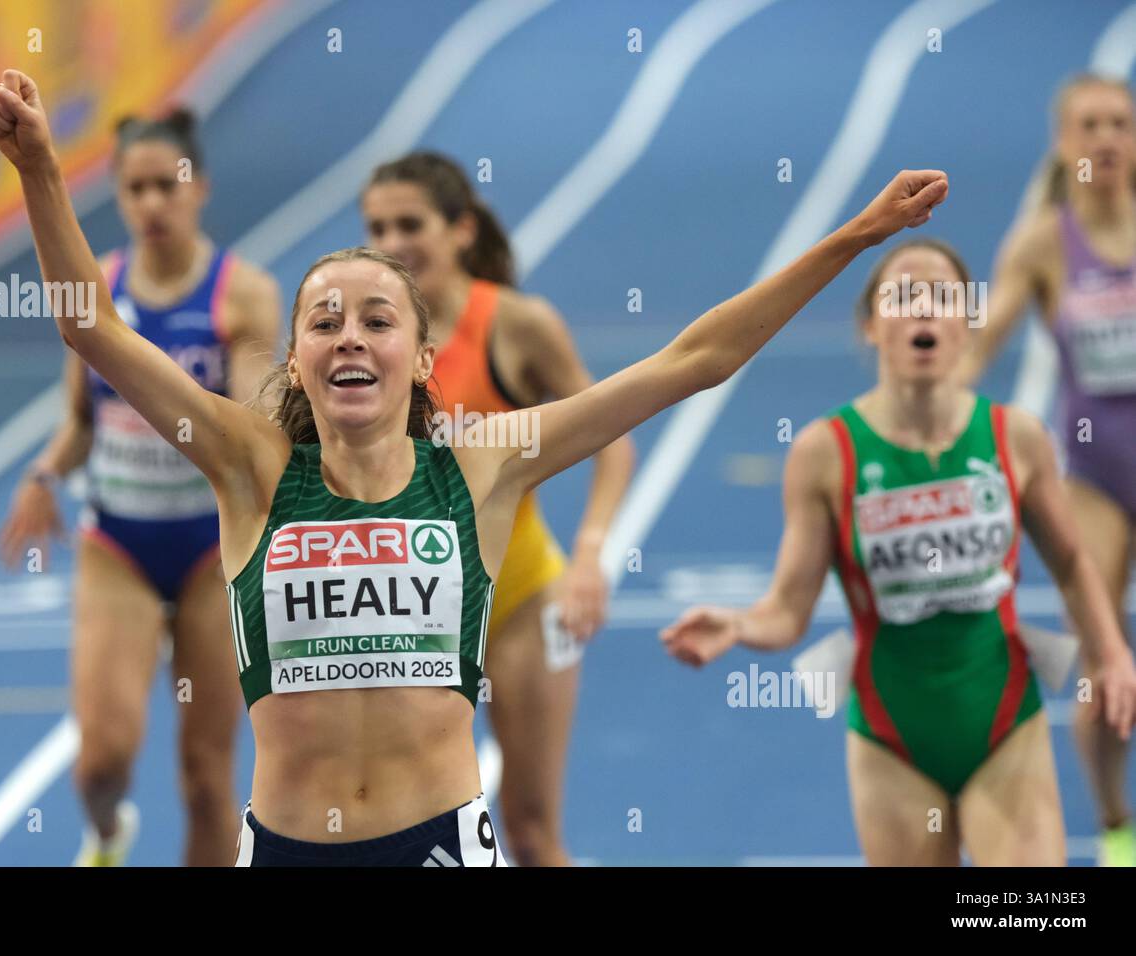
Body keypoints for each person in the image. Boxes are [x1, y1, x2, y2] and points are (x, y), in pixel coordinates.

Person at [0, 67, 948, 866]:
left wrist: (854, 238)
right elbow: (89, 323)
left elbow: (693, 361)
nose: (348, 337)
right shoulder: (250, 465)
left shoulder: (481, 463)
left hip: (441, 844)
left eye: (375, 319)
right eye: (323, 321)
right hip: (283, 845)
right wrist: (41, 173)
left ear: (422, 356)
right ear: (296, 359)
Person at [663, 238, 1136, 866]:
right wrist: (740, 622)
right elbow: (788, 611)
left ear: (967, 327)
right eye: (904, 296)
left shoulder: (1016, 438)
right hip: (892, 738)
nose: (924, 310)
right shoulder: (824, 453)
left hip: (1003, 722)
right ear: (870, 327)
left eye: (943, 297)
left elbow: (1074, 563)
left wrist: (1109, 653)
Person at [0, 108, 281, 865]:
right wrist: (43, 473)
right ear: (118, 198)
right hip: (118, 539)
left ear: (201, 189)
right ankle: (108, 833)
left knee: (205, 776)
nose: (153, 203)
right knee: (101, 761)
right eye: (136, 189)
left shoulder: (241, 295)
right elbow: (83, 418)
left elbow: (250, 431)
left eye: (169, 185)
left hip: (209, 551)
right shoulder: (103, 290)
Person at [360, 152, 634, 865]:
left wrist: (590, 557)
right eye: (376, 226)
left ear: (461, 229)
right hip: (410, 618)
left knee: (532, 833)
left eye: (409, 223)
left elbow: (613, 441)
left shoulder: (516, 326)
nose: (391, 243)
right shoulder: (365, 346)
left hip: (519, 600)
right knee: (406, 833)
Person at [955, 73, 1136, 866]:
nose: (1106, 139)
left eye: (1121, 125)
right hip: (1097, 477)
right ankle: (1115, 820)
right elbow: (980, 346)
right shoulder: (1041, 241)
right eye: (1090, 125)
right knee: (1102, 662)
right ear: (1064, 144)